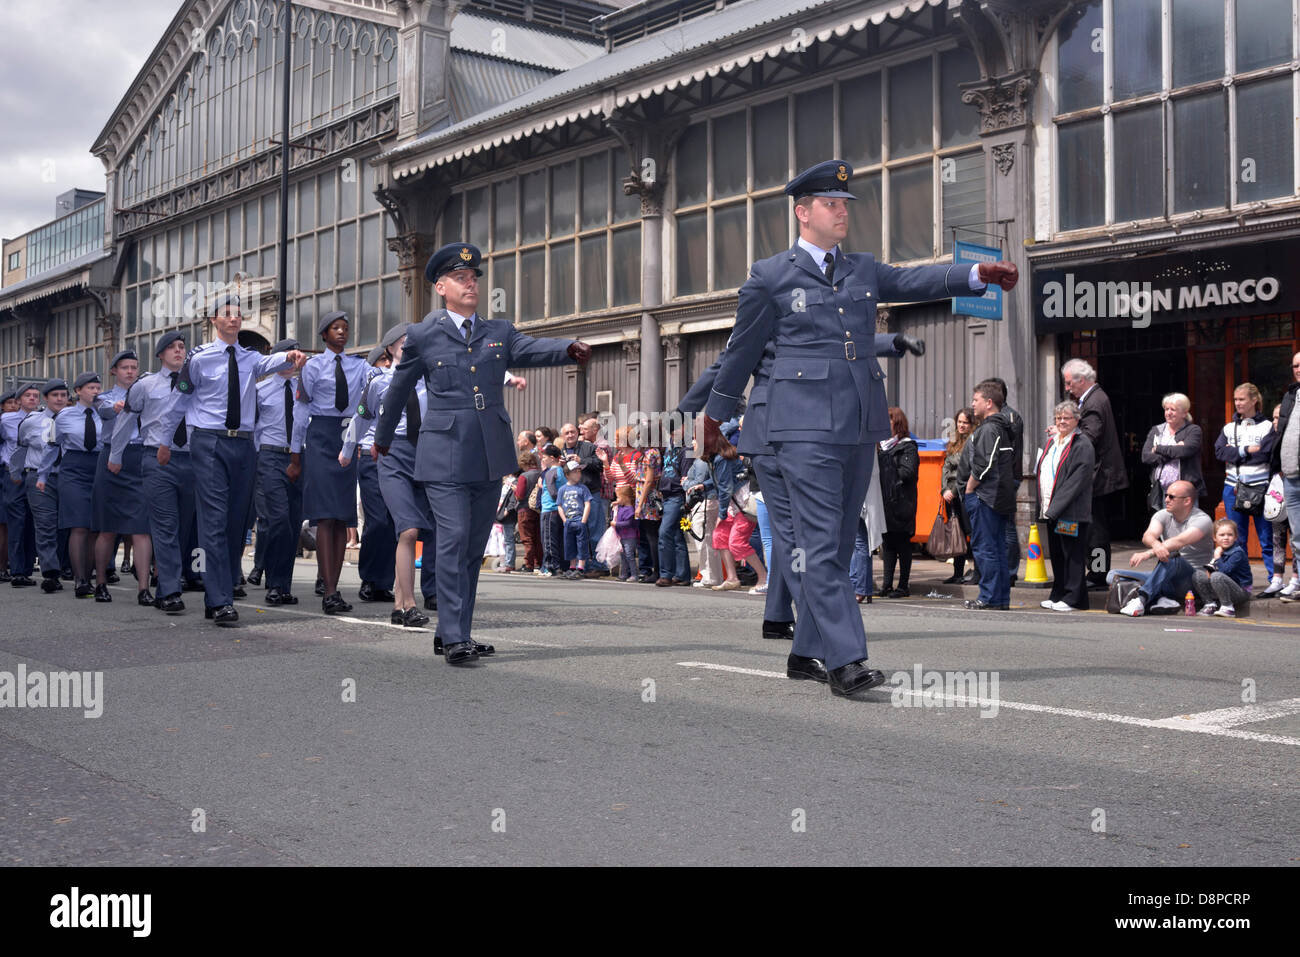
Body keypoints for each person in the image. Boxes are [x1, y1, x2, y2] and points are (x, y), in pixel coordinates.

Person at [699, 158, 1019, 696]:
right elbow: (740, 352)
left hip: (857, 423)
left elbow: (912, 279)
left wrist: (973, 274)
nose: (842, 212)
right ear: (803, 213)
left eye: (845, 204)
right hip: (798, 427)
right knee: (823, 544)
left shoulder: (861, 269)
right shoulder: (769, 276)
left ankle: (805, 653)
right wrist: (713, 415)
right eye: (830, 204)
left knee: (835, 537)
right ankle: (846, 660)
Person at [373, 242, 589, 666]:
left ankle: (455, 632)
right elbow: (398, 390)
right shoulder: (422, 335)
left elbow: (530, 348)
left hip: (490, 454)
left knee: (472, 547)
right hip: (443, 454)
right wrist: (382, 438)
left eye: (474, 279)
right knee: (451, 539)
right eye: (461, 278)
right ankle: (454, 635)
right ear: (440, 286)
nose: (471, 285)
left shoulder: (499, 332)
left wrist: (568, 347)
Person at [157, 295, 306, 626]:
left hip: (244, 446)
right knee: (213, 520)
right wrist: (165, 442)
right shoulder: (198, 360)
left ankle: (216, 594)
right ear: (214, 320)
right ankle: (221, 599)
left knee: (235, 523)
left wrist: (291, 355)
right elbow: (178, 403)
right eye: (227, 314)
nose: (234, 319)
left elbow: (274, 363)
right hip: (209, 443)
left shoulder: (250, 358)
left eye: (239, 314)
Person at [346, 325, 432, 627]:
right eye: (403, 343)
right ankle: (408, 604)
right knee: (407, 529)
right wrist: (347, 450)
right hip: (390, 454)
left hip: (424, 456)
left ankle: (398, 604)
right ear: (390, 350)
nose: (410, 347)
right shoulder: (380, 383)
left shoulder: (430, 381)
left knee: (413, 530)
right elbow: (361, 417)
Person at [292, 310, 370, 614]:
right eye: (335, 328)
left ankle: (334, 586)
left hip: (346, 436)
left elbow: (372, 395)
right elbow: (301, 411)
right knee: (326, 517)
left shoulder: (360, 366)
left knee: (342, 516)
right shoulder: (312, 367)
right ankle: (329, 589)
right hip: (321, 436)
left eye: (345, 328)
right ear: (324, 335)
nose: (341, 332)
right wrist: (296, 452)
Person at [118, 332, 194, 613]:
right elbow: (126, 421)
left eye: (182, 347)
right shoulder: (145, 385)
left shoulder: (195, 384)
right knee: (165, 526)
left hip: (192, 460)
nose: (178, 351)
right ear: (160, 354)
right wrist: (115, 455)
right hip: (157, 459)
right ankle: (169, 590)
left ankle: (170, 579)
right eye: (172, 347)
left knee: (184, 528)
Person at [1060, 358, 1129, 589]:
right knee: (1094, 527)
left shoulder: (1093, 403)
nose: (1067, 388)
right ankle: (1097, 571)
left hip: (1099, 476)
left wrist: (1065, 435)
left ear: (1082, 380)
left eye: (1070, 383)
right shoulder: (1091, 399)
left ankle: (1098, 574)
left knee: (1096, 530)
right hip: (1099, 474)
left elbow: (1089, 437)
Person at [251, 336, 306, 607]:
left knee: (294, 524)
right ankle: (272, 582)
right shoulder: (260, 391)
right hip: (271, 457)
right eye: (287, 356)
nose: (291, 362)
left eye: (295, 358)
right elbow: (253, 429)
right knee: (279, 519)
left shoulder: (303, 389)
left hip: (298, 457)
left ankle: (283, 585)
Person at [97, 349, 153, 604]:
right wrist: (119, 407)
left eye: (134, 366)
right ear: (114, 372)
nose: (130, 371)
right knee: (108, 528)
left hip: (140, 456)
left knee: (142, 528)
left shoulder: (147, 393)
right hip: (112, 460)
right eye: (124, 368)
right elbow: (107, 411)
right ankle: (100, 582)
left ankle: (144, 588)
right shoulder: (104, 398)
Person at [961, 380, 1018, 611]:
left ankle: (988, 596)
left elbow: (984, 464)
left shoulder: (989, 429)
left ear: (989, 402)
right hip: (999, 496)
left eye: (976, 400)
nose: (973, 404)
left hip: (986, 497)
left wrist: (969, 488)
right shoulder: (1003, 427)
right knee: (996, 549)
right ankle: (1000, 598)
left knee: (985, 549)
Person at [1117, 480, 1213, 617]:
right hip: (1167, 576)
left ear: (1187, 501)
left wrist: (1148, 554)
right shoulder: (1163, 514)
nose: (1166, 499)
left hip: (1192, 581)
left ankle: (1142, 599)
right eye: (1166, 495)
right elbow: (1148, 536)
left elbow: (1180, 541)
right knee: (1113, 575)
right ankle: (1162, 599)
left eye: (1171, 497)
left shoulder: (1202, 520)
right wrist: (1156, 545)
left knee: (1173, 557)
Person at [49, 373, 107, 597]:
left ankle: (90, 575)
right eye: (90, 388)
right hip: (74, 466)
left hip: (100, 465)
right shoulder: (64, 416)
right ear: (78, 391)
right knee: (78, 525)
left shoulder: (107, 413)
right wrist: (43, 476)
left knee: (95, 526)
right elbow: (52, 446)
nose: (95, 392)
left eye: (98, 387)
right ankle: (79, 579)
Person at [1034, 401, 1095, 611]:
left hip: (1070, 512)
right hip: (1052, 510)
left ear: (1076, 420)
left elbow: (1075, 482)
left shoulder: (1082, 444)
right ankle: (1058, 593)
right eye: (1058, 418)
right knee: (1058, 555)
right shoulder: (1053, 441)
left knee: (1073, 556)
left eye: (1066, 418)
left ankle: (1073, 598)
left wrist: (1054, 508)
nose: (1061, 421)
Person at [1213, 382, 1274, 582]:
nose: (1237, 403)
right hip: (1233, 488)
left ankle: (1275, 580)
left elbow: (1265, 455)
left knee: (1266, 538)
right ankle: (1241, 581)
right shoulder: (1228, 427)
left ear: (1254, 400)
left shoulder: (1266, 426)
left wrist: (1235, 452)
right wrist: (1246, 450)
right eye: (1236, 399)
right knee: (1237, 539)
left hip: (1260, 488)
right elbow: (1220, 452)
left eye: (1241, 399)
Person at [18, 379, 69, 593]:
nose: (59, 399)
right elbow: (22, 442)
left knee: (65, 526)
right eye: (55, 395)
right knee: (45, 524)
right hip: (40, 478)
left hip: (67, 478)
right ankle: (50, 573)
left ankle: (66, 566)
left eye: (63, 395)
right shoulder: (32, 421)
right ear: (46, 398)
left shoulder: (73, 419)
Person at [2, 383, 42, 586]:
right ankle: (17, 571)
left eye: (36, 395)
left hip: (33, 474)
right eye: (28, 395)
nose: (33, 399)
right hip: (13, 476)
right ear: (18, 401)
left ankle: (27, 569)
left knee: (31, 522)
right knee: (16, 522)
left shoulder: (43, 419)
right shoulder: (6, 420)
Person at [877, 406, 918, 598]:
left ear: (897, 423)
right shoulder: (882, 446)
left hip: (902, 502)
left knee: (903, 544)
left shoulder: (907, 446)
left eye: (889, 420)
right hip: (885, 502)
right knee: (888, 544)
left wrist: (887, 469)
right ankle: (886, 585)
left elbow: (908, 472)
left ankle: (903, 586)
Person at [1140, 393, 1205, 511]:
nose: (1168, 413)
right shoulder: (1157, 430)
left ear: (1184, 413)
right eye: (1166, 409)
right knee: (1164, 527)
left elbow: (1186, 450)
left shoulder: (1193, 430)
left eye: (1173, 410)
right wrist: (1174, 451)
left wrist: (1159, 449)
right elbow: (1145, 456)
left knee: (1185, 526)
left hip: (1184, 493)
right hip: (1161, 491)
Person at [988, 377, 1024, 584]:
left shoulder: (1009, 417)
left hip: (1007, 479)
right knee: (998, 527)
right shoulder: (999, 417)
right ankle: (1002, 570)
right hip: (1000, 479)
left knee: (1008, 526)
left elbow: (1007, 451)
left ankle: (1010, 571)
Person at [1264, 403, 1298, 598]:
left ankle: (1295, 578)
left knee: (1295, 537)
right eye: (1274, 417)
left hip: (1293, 488)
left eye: (1279, 418)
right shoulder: (1272, 438)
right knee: (1277, 536)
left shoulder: (1293, 437)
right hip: (1276, 490)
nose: (1275, 421)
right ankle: (1277, 578)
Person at [940, 406, 975, 583]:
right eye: (959, 422)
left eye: (965, 423)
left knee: (970, 532)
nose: (961, 425)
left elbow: (964, 468)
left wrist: (952, 491)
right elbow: (946, 466)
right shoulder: (953, 441)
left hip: (963, 493)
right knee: (956, 534)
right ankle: (957, 572)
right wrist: (944, 489)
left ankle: (977, 571)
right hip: (950, 494)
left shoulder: (972, 441)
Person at [655, 424, 692, 587]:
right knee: (676, 535)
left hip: (677, 495)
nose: (673, 432)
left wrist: (686, 500)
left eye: (676, 427)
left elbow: (686, 476)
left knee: (664, 533)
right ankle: (682, 574)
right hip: (667, 495)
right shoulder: (670, 445)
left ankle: (666, 574)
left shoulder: (687, 448)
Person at [1193, 519, 1253, 618]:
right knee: (1198, 575)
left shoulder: (1237, 553)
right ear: (1215, 537)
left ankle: (1227, 607)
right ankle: (1210, 605)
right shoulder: (1219, 550)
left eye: (1230, 535)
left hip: (1241, 591)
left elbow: (1225, 571)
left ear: (1235, 537)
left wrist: (1217, 557)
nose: (1226, 538)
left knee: (1217, 576)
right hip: (1223, 587)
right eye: (1222, 535)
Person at [558, 459, 592, 580]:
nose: (578, 474)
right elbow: (560, 506)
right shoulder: (562, 489)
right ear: (567, 475)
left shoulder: (583, 488)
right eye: (575, 472)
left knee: (582, 544)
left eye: (579, 471)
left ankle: (581, 568)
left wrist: (583, 520)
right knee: (569, 545)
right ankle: (572, 567)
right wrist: (564, 520)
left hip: (579, 521)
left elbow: (587, 503)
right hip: (568, 522)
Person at [537, 443, 563, 576]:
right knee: (557, 538)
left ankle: (550, 565)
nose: (543, 459)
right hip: (559, 510)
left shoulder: (550, 473)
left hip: (549, 508)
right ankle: (557, 565)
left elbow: (553, 493)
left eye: (544, 457)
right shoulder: (562, 471)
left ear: (552, 458)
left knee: (548, 539)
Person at [514, 451, 542, 572]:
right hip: (538, 509)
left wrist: (515, 490)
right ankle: (538, 562)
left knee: (526, 537)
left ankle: (528, 563)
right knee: (537, 537)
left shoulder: (523, 476)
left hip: (524, 509)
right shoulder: (541, 474)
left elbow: (519, 495)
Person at [612, 485, 639, 579]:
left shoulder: (630, 510)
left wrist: (616, 524)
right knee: (623, 556)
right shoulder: (621, 507)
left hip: (630, 537)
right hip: (622, 536)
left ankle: (634, 575)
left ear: (626, 498)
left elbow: (629, 523)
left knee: (629, 555)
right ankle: (623, 574)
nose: (617, 499)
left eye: (619, 497)